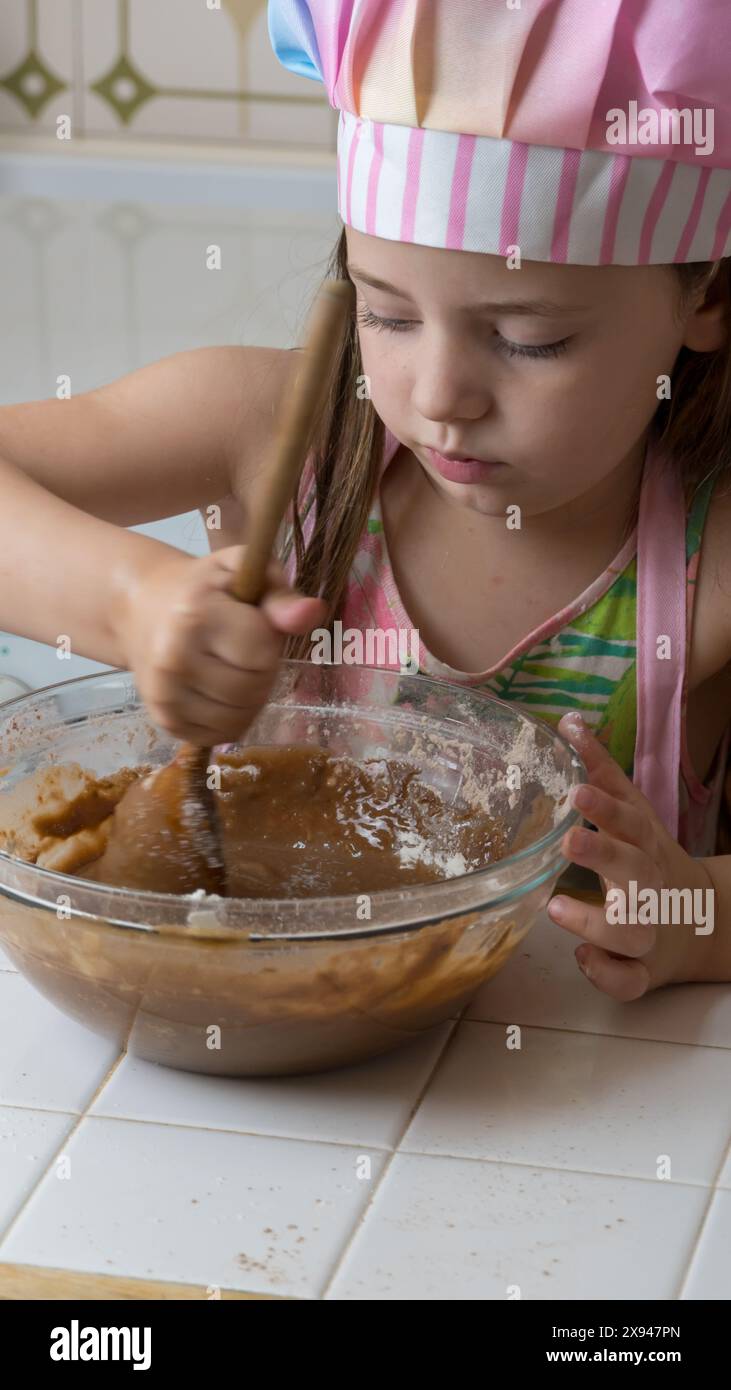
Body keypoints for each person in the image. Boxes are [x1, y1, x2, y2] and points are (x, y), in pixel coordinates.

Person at [0, 0, 729, 998]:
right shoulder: (266, 433)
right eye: (386, 313)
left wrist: (695, 915)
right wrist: (129, 600)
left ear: (706, 297)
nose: (437, 398)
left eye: (527, 340)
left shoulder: (707, 550)